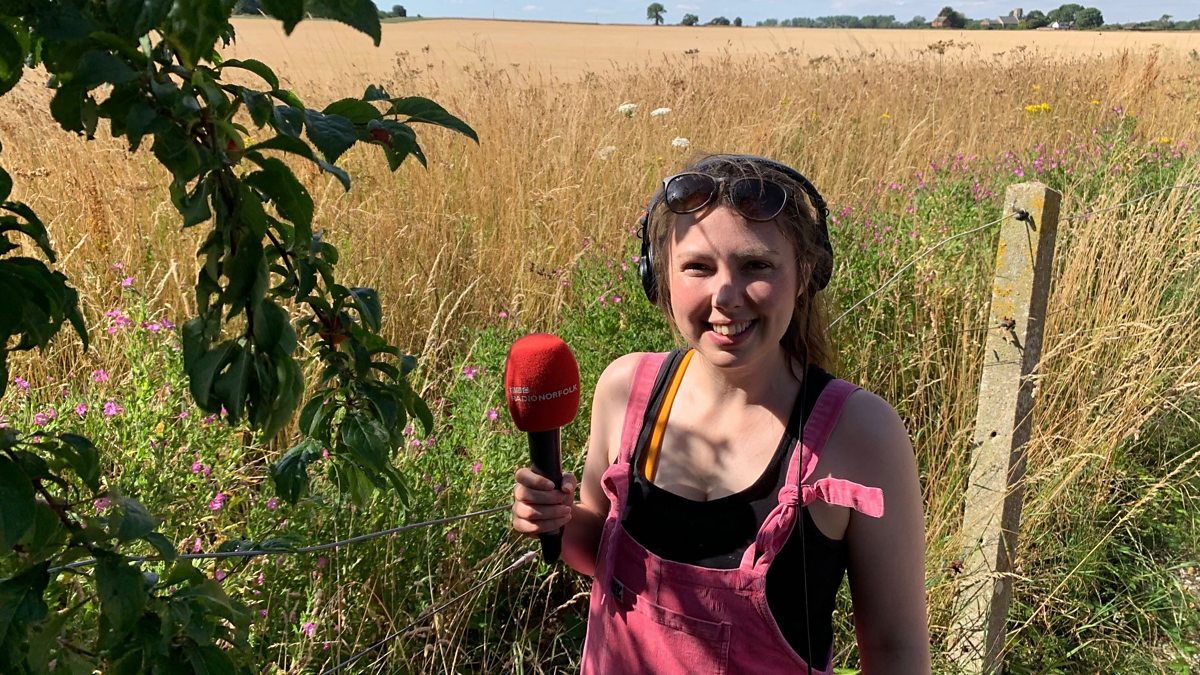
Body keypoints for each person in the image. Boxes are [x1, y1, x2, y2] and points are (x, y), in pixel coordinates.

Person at [512, 154, 931, 674]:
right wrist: (556, 518)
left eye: (757, 265)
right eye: (698, 267)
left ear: (805, 275)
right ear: (658, 277)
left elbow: (895, 649)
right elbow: (601, 551)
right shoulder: (627, 391)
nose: (726, 296)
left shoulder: (860, 434)